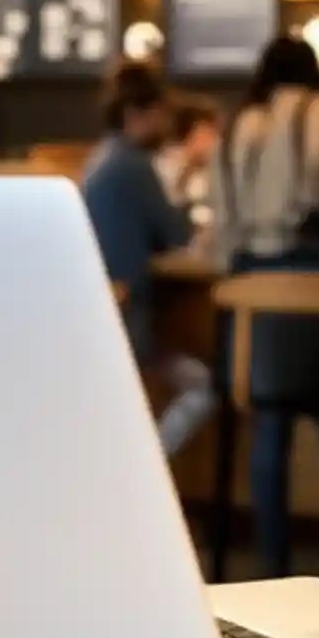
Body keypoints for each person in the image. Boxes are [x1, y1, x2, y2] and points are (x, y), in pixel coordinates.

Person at [210, 36, 319, 577]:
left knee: (270, 421)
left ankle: (270, 563)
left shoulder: (238, 121)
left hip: (252, 285)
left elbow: (220, 228)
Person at [82, 61, 212, 457]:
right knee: (204, 387)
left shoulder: (103, 160)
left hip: (102, 325)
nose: (166, 124)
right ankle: (146, 470)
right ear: (139, 113)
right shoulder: (133, 166)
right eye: (161, 114)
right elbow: (177, 235)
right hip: (127, 326)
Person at [154, 94, 222, 207]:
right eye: (210, 133)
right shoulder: (164, 165)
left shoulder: (212, 170)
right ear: (192, 133)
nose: (217, 140)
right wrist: (188, 167)